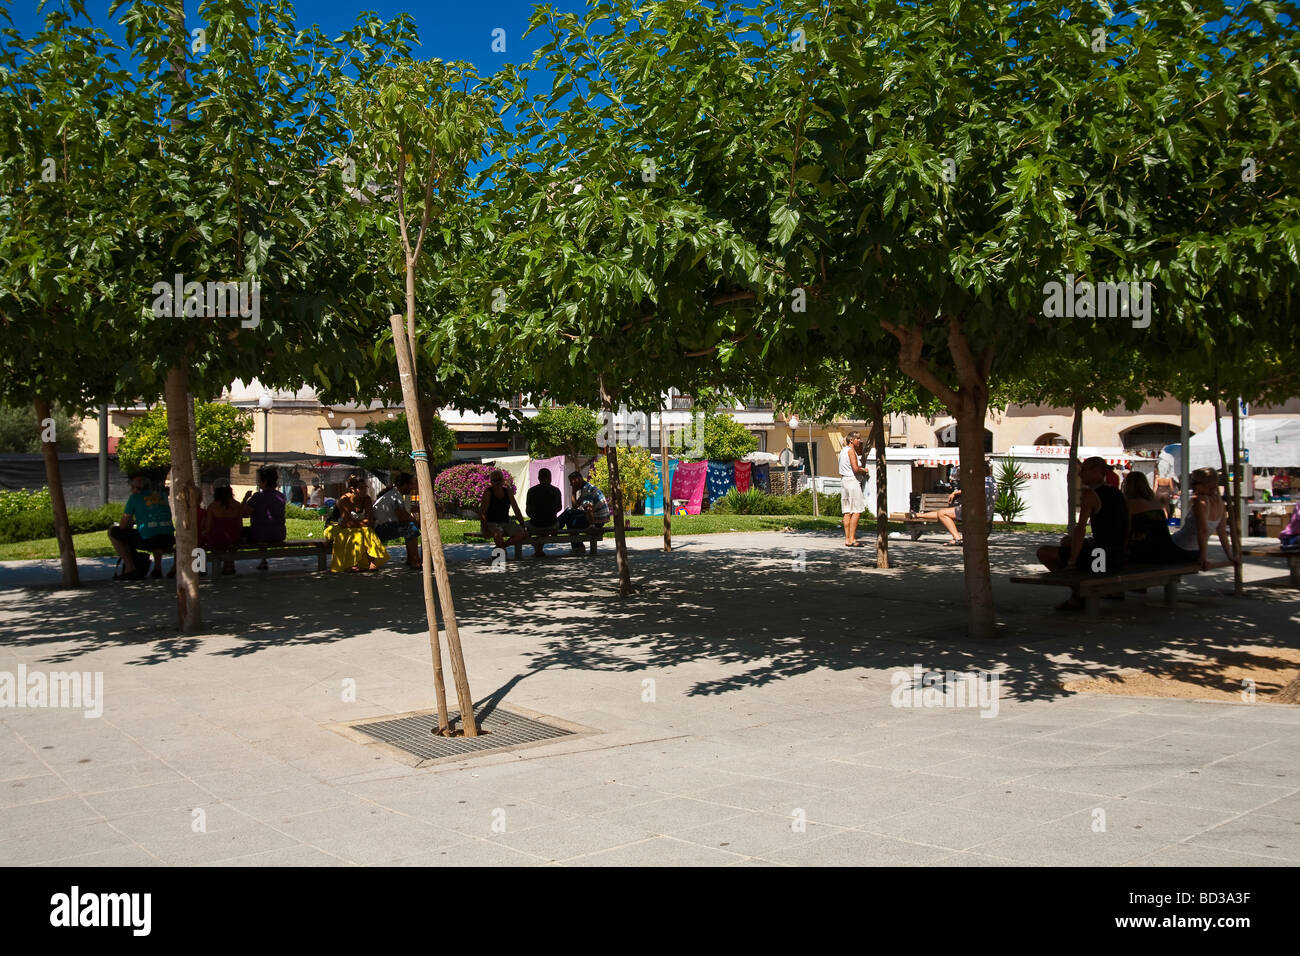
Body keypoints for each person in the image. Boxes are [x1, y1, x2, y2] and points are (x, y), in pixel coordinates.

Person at [1037, 456, 1130, 611]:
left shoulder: (1090, 495)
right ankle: (1082, 593)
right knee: (1067, 541)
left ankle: (1079, 594)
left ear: (1096, 471)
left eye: (1083, 471)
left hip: (1100, 557)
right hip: (1116, 554)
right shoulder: (1118, 493)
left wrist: (1072, 561)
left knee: (1044, 552)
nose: (1080, 475)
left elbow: (1080, 529)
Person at [909, 460, 996, 546]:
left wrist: (960, 495)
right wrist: (957, 493)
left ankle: (958, 538)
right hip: (980, 513)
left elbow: (976, 494)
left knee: (942, 514)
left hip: (974, 513)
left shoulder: (983, 482)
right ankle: (917, 515)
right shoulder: (991, 482)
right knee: (942, 512)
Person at [109, 474, 176, 580]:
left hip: (148, 541)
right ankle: (157, 568)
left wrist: (129, 523)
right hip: (169, 539)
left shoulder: (134, 498)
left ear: (137, 489)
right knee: (155, 530)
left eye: (132, 487)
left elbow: (122, 525)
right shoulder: (162, 496)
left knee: (113, 531)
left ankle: (130, 567)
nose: (131, 490)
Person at [1122, 471, 1196, 566]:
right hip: (1163, 548)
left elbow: (1127, 530)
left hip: (1142, 551)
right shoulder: (1155, 503)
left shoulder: (1129, 504)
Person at [1169, 467, 1238, 569]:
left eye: (1196, 482)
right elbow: (1222, 532)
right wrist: (1230, 556)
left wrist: (1203, 558)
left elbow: (1203, 531)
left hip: (1179, 547)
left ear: (1207, 484)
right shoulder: (1220, 502)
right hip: (1194, 552)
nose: (1192, 485)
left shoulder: (1199, 501)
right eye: (1192, 481)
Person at [324, 474, 389, 572]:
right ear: (352, 489)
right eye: (360, 488)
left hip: (354, 526)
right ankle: (350, 564)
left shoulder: (366, 499)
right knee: (354, 534)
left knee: (368, 531)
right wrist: (363, 522)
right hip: (335, 526)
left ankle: (371, 562)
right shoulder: (345, 499)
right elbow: (347, 523)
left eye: (365, 487)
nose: (364, 490)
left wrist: (360, 523)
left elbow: (370, 520)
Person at [373, 472, 421, 569]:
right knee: (410, 527)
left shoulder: (393, 493)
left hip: (381, 527)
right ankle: (414, 560)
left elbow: (403, 513)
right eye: (411, 484)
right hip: (380, 529)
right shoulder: (395, 495)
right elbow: (402, 515)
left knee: (409, 526)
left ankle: (411, 559)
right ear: (404, 485)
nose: (413, 487)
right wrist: (417, 522)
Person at [242, 465, 286, 570]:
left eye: (258, 480)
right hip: (279, 534)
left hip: (259, 534)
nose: (257, 482)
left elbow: (244, 514)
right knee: (265, 528)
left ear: (264, 481)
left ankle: (228, 562)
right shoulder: (281, 496)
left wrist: (245, 498)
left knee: (240, 532)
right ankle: (263, 561)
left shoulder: (257, 496)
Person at [557, 470, 610, 554]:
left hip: (598, 520)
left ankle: (577, 547)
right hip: (597, 517)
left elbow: (589, 509)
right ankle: (557, 527)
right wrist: (573, 492)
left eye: (572, 481)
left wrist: (592, 526)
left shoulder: (586, 489)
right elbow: (575, 506)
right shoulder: (585, 487)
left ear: (578, 479)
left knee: (571, 521)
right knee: (569, 511)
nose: (571, 484)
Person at [480, 469, 528, 559]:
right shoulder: (488, 492)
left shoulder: (508, 491)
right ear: (491, 482)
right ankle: (502, 551)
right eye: (495, 480)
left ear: (503, 481)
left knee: (523, 534)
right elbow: (483, 512)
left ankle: (501, 547)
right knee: (498, 533)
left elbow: (516, 509)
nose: (498, 482)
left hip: (506, 522)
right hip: (491, 522)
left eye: (500, 479)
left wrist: (522, 525)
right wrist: (484, 528)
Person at [202, 482, 248, 575]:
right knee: (232, 539)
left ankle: (199, 570)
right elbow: (240, 525)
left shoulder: (212, 507)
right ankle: (229, 564)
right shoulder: (237, 505)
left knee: (198, 542)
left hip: (217, 538)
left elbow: (208, 527)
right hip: (233, 537)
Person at [838, 431, 869, 547]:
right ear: (851, 440)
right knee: (857, 510)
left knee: (846, 511)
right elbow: (855, 468)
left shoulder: (842, 451)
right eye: (858, 439)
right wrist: (864, 470)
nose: (859, 441)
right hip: (852, 481)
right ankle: (852, 538)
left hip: (844, 481)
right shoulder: (851, 451)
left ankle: (847, 539)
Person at [524, 467, 563, 559]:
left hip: (535, 524)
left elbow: (528, 511)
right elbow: (559, 508)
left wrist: (536, 516)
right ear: (550, 478)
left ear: (538, 478)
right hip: (552, 523)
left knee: (526, 526)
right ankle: (539, 550)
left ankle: (538, 550)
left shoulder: (531, 491)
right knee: (545, 526)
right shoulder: (556, 490)